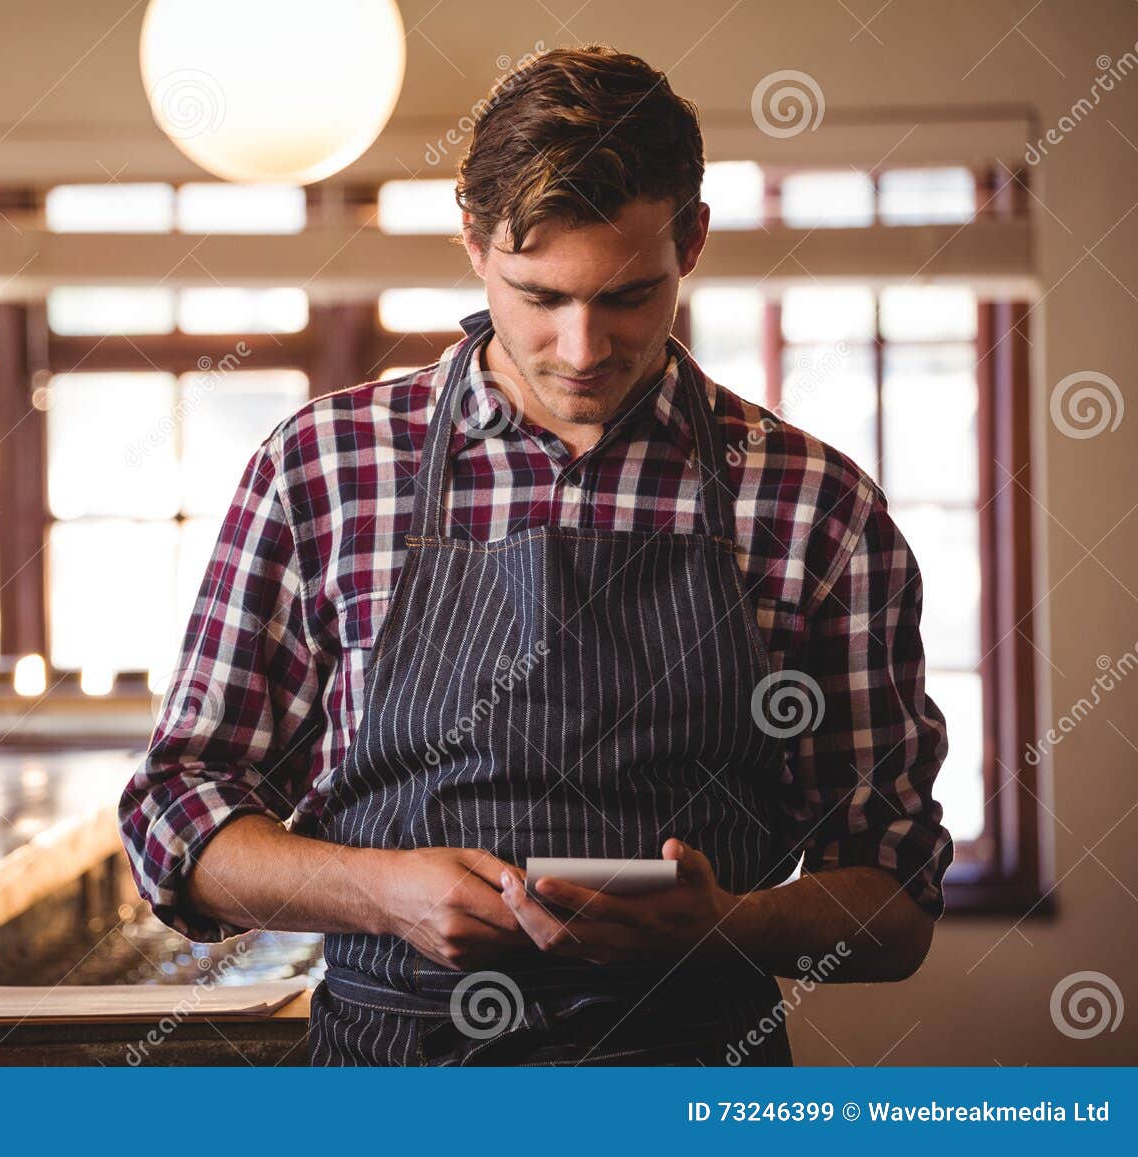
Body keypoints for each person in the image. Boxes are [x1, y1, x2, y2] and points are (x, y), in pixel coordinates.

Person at [119, 43, 953, 1066]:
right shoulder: (322, 467)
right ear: (474, 243)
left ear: (692, 239)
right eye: (541, 297)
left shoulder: (813, 505)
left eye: (628, 295)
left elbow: (895, 904)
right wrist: (382, 892)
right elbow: (178, 818)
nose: (582, 349)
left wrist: (723, 924)